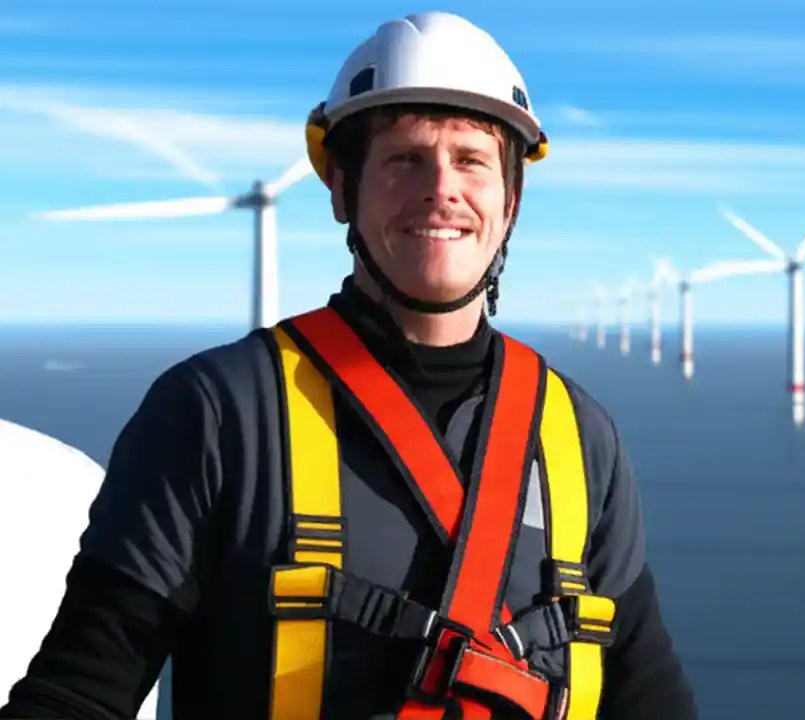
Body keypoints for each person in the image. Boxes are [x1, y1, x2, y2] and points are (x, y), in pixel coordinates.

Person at [1, 11, 697, 720]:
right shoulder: (219, 414)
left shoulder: (581, 438)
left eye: (471, 159)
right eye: (404, 159)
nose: (441, 189)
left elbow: (648, 695)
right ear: (341, 188)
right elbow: (82, 689)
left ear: (511, 199)